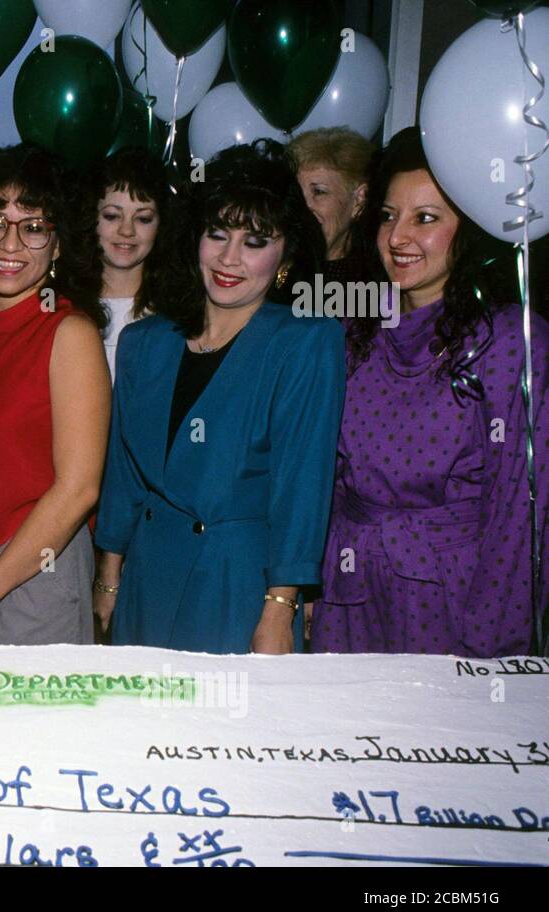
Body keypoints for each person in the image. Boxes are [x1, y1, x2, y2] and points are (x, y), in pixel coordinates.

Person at [94, 139, 343, 654]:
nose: (230, 259)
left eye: (255, 241)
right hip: (145, 577)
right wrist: (109, 577)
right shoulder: (144, 342)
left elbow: (303, 488)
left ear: (286, 256)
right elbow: (122, 475)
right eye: (217, 235)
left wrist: (279, 609)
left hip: (235, 586)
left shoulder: (305, 340)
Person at [310, 127, 547, 657]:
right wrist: (307, 582)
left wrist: (495, 647)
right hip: (348, 590)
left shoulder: (511, 340)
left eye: (426, 218)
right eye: (389, 216)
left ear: (470, 229)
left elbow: (521, 513)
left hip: (453, 602)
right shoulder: (354, 325)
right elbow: (325, 477)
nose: (398, 237)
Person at [0, 144, 110, 644]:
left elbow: (78, 489)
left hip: (35, 574)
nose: (9, 243)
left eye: (33, 227)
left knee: (35, 723)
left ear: (58, 244)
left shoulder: (68, 333)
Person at [93, 146, 170, 384]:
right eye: (112, 216)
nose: (127, 230)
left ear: (160, 225)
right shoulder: (63, 306)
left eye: (143, 218)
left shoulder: (177, 315)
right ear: (91, 218)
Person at [288, 126, 377, 289]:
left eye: (319, 192)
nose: (305, 205)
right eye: (297, 193)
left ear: (358, 200)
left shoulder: (378, 284)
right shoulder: (275, 270)